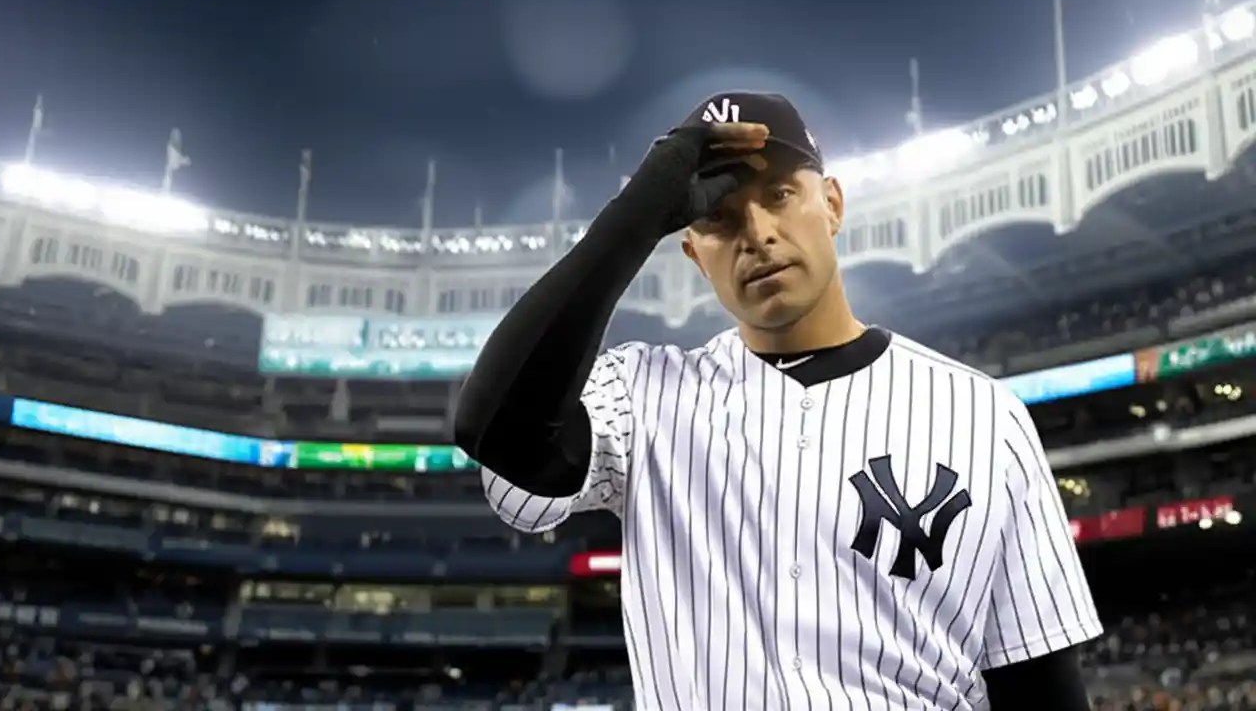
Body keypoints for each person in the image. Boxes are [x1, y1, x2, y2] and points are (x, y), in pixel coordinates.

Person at [454, 92, 1102, 710]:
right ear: (692, 255)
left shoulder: (986, 418)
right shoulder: (640, 396)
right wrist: (633, 217)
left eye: (781, 194)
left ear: (833, 205)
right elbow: (496, 430)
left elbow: (1040, 688)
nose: (756, 234)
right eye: (719, 217)